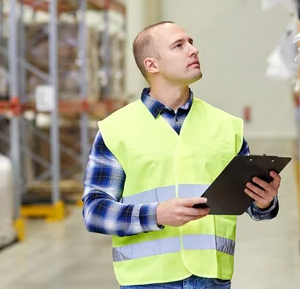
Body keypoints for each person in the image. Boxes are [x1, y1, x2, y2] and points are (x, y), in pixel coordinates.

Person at [81, 21, 281, 289]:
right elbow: (94, 211)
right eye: (179, 45)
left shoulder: (226, 125)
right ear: (152, 65)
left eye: (191, 42)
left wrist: (265, 202)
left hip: (212, 279)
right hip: (147, 281)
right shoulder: (116, 130)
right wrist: (156, 215)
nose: (193, 50)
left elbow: (251, 207)